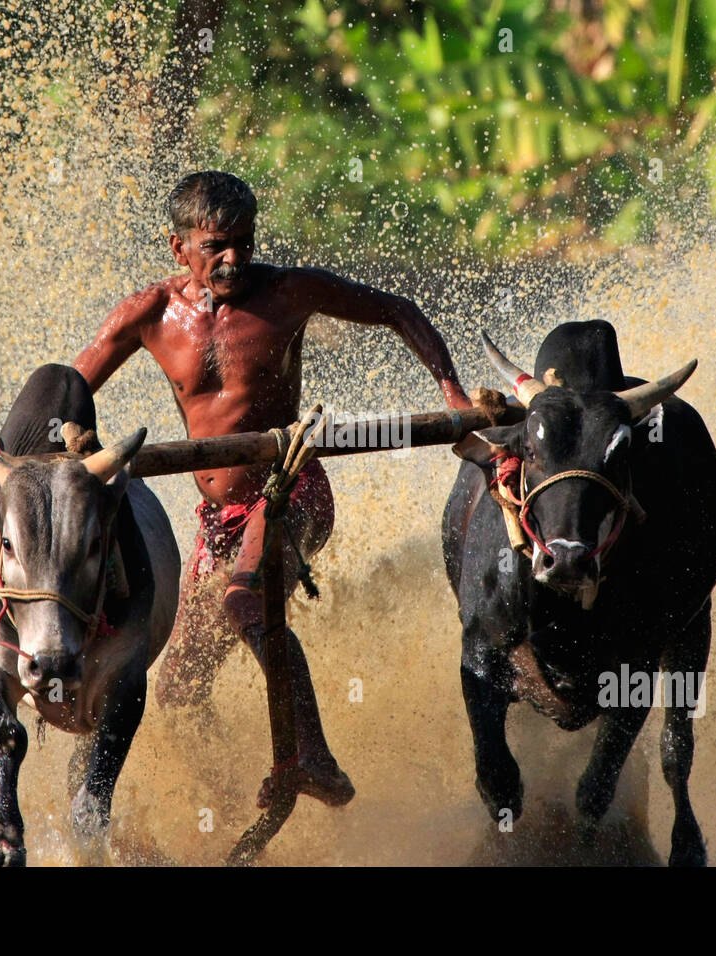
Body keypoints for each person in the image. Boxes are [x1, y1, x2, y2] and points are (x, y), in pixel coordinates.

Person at [71, 170, 474, 808]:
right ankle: (224, 798)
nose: (234, 259)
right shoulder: (148, 314)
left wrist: (450, 391)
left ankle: (311, 758)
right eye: (215, 247)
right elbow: (68, 389)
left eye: (244, 242)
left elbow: (394, 309)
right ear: (180, 249)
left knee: (244, 603)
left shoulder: (289, 292)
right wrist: (46, 442)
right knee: (178, 686)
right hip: (217, 519)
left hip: (290, 489)